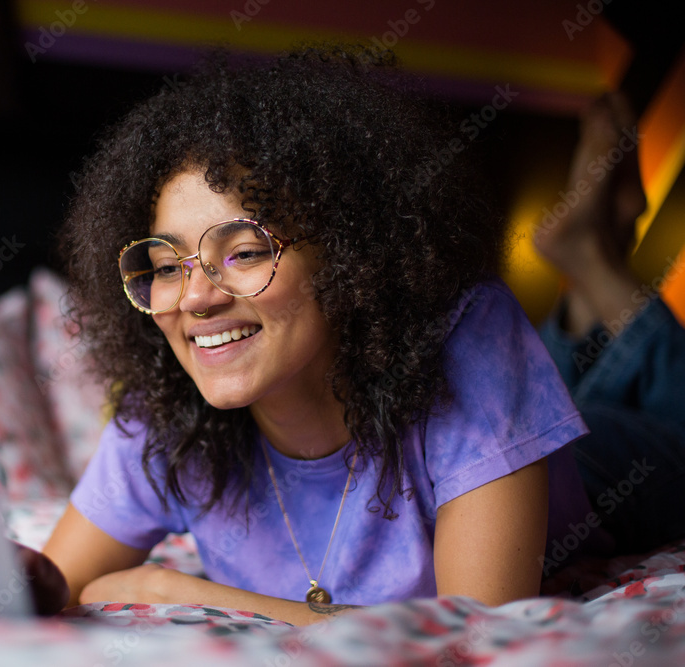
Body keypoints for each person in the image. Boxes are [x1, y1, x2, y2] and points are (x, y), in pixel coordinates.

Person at [43, 45, 596, 625]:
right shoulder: (165, 414)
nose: (196, 298)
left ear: (349, 255)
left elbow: (480, 635)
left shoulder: (468, 337)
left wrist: (174, 593)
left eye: (245, 252)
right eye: (164, 266)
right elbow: (46, 589)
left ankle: (591, 264)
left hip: (621, 462)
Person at [534, 92, 685, 556]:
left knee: (552, 422)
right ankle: (596, 259)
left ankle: (594, 260)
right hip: (560, 458)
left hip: (537, 452)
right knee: (562, 423)